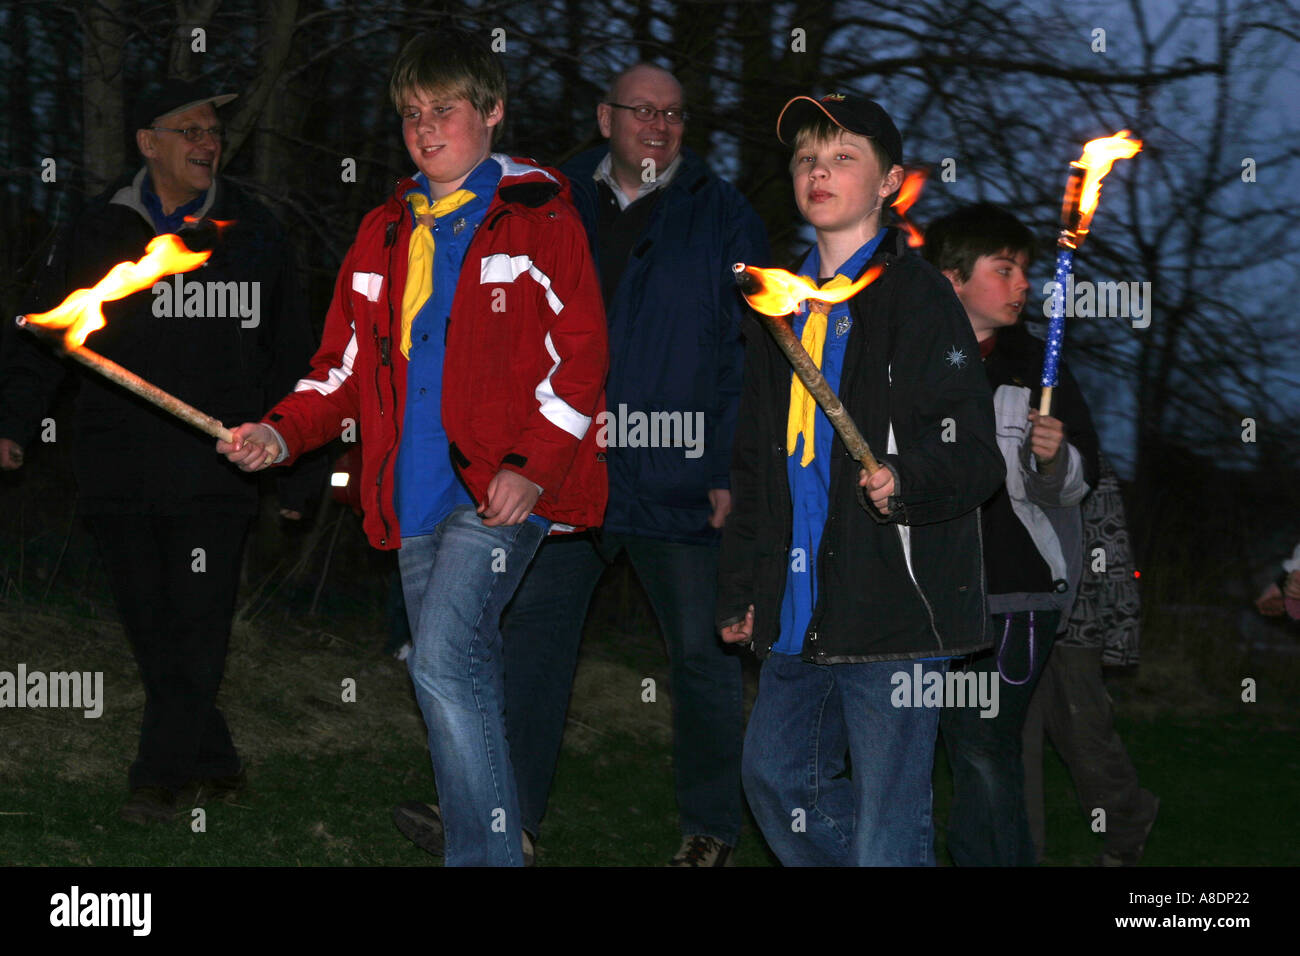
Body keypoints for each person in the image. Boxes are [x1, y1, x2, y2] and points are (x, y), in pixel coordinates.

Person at [218, 29, 608, 867]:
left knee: (438, 658)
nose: (426, 130)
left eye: (446, 111)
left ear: (493, 113)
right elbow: (341, 370)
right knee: (451, 676)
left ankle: (490, 856)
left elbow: (583, 363)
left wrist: (531, 469)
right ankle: (495, 843)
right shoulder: (382, 233)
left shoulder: (542, 220)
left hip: (499, 495)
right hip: (411, 497)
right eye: (410, 115)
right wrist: (279, 431)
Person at [393, 62, 768, 867]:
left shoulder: (724, 215)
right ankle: (510, 819)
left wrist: (730, 468)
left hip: (678, 473)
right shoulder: (544, 195)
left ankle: (710, 827)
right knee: (532, 645)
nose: (658, 127)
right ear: (606, 118)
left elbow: (747, 354)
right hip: (564, 467)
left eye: (674, 113)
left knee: (703, 656)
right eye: (641, 111)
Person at [0, 80, 319, 823]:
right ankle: (216, 760)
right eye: (190, 130)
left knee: (199, 622)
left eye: (213, 131)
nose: (208, 143)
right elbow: (42, 342)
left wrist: (297, 469)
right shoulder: (95, 230)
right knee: (153, 628)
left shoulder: (255, 235)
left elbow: (294, 357)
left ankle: (157, 777)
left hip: (216, 467)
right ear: (148, 142)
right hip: (117, 468)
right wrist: (13, 423)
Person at [716, 93, 1004, 866]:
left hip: (893, 604)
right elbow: (754, 462)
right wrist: (741, 585)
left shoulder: (920, 299)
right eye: (808, 156)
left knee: (888, 817)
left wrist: (906, 477)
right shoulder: (776, 303)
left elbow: (977, 455)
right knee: (776, 780)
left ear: (890, 183)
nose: (820, 170)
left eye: (844, 157)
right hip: (795, 603)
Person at [924, 201, 1101, 866]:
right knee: (942, 743)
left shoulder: (1035, 369)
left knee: (982, 745)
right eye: (1005, 270)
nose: (1024, 285)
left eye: (1025, 271)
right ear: (952, 280)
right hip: (928, 594)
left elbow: (1081, 482)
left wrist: (1053, 460)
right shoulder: (912, 359)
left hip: (1014, 596)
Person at [1021, 452, 1159, 866]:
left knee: (1086, 739)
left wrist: (1122, 633)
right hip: (1014, 620)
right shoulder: (993, 441)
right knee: (1014, 747)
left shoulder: (1085, 454)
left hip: (1076, 625)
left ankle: (1128, 823)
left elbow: (1110, 541)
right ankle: (1024, 851)